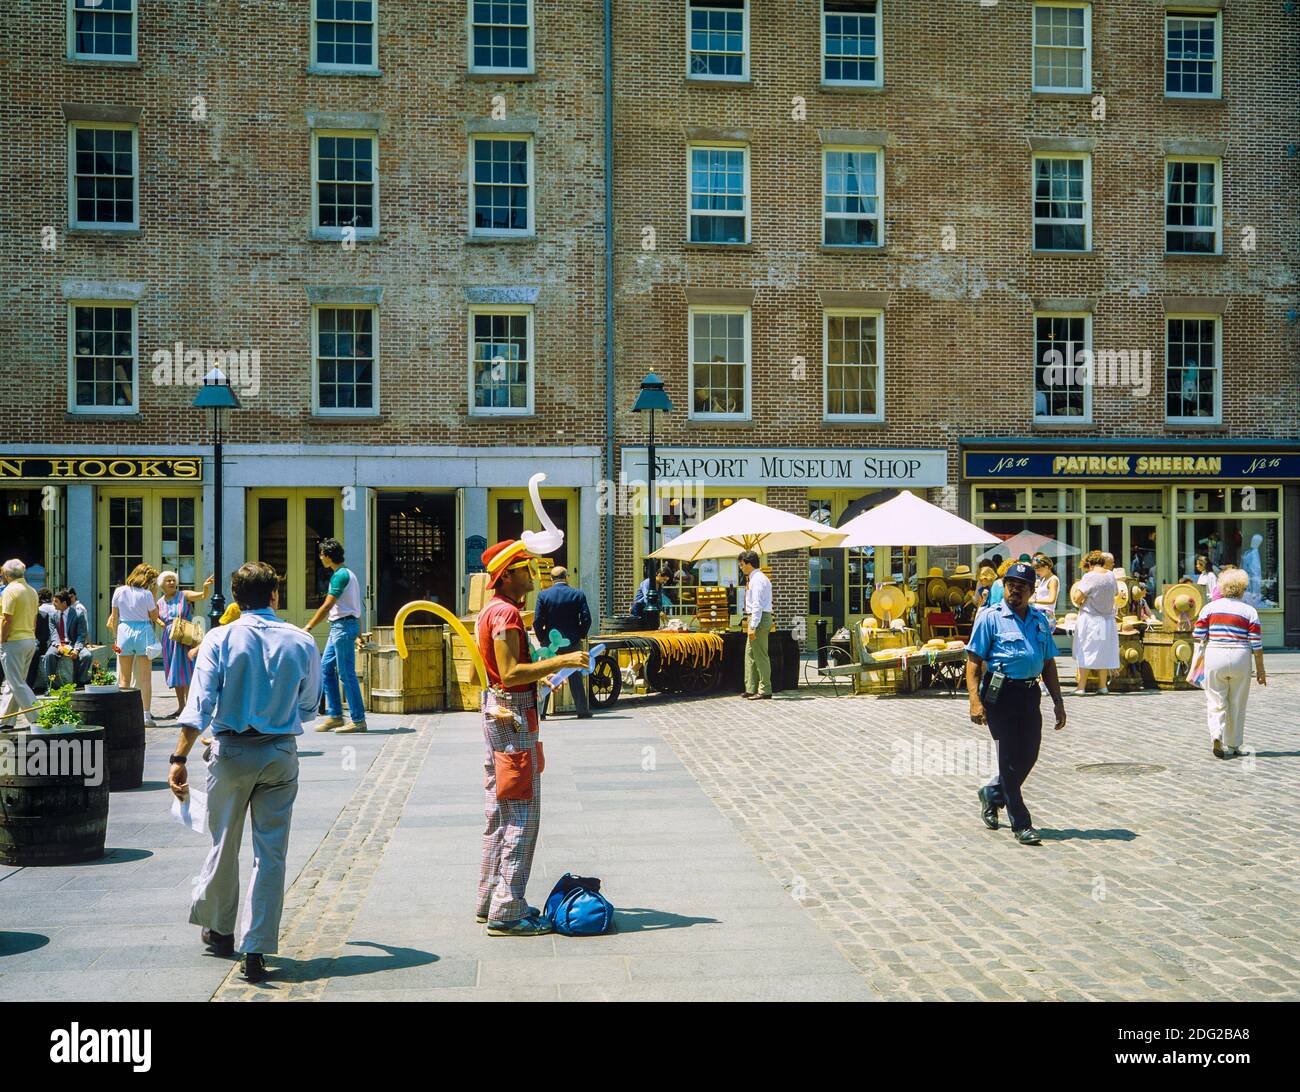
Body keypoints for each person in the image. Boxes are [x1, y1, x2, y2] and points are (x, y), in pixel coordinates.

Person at [168, 562, 320, 983]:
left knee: (223, 843)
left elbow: (198, 705)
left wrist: (178, 758)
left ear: (236, 600)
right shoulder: (302, 640)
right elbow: (310, 705)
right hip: (278, 753)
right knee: (270, 853)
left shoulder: (220, 637)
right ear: (274, 596)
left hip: (232, 751)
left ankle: (219, 929)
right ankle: (257, 946)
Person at [475, 539, 587, 937]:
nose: (533, 575)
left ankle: (489, 898)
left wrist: (541, 675)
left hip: (500, 715)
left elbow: (495, 675)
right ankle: (507, 910)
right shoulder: (505, 612)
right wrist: (563, 660)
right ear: (507, 574)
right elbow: (508, 672)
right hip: (513, 722)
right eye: (525, 568)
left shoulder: (491, 610)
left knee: (499, 813)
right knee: (522, 816)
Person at [966, 561, 1067, 846]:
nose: (1015, 591)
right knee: (1009, 759)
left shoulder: (1039, 621)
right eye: (1011, 585)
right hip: (1000, 694)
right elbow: (973, 663)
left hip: (1029, 693)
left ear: (1032, 590)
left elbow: (1048, 663)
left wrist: (1058, 701)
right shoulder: (989, 617)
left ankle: (993, 794)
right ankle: (1021, 823)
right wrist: (975, 701)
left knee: (1029, 754)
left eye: (1021, 587)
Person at [1193, 567, 1266, 760]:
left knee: (1216, 699)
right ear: (1242, 588)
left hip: (1215, 654)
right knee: (1237, 701)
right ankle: (1234, 743)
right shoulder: (1249, 611)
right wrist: (1261, 670)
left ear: (1222, 587)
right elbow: (1256, 645)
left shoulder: (1209, 608)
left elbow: (1198, 636)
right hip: (1241, 655)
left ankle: (1216, 734)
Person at [303, 538, 366, 733]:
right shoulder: (348, 574)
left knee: (346, 673)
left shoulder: (339, 576)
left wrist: (309, 626)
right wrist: (359, 632)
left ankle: (358, 720)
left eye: (321, 554)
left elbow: (328, 605)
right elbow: (357, 606)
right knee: (326, 668)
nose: (320, 557)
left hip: (342, 627)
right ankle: (336, 716)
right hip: (341, 626)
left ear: (328, 556)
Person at [534, 566, 592, 720]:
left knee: (547, 673)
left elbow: (537, 621)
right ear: (566, 577)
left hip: (551, 642)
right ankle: (582, 710)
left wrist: (543, 639)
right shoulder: (577, 594)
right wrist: (579, 634)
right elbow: (586, 618)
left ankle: (541, 711)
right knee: (575, 676)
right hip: (571, 641)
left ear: (552, 579)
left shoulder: (543, 595)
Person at [106, 563, 161, 726]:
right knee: (145, 678)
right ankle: (146, 715)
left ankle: (124, 714)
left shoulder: (119, 591)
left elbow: (114, 617)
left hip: (124, 630)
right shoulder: (147, 594)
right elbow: (154, 616)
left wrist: (116, 637)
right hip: (143, 630)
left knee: (124, 677)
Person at [158, 571, 214, 717]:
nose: (171, 583)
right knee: (175, 672)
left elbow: (203, 596)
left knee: (187, 671)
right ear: (161, 585)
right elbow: (154, 617)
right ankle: (181, 707)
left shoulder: (184, 595)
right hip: (169, 639)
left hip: (185, 637)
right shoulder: (159, 602)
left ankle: (190, 705)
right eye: (168, 580)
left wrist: (205, 587)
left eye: (173, 580)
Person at [1070, 550, 1119, 695]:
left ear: (1090, 564)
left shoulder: (1089, 576)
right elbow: (1116, 593)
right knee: (1102, 651)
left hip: (1090, 618)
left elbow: (1077, 598)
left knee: (1085, 649)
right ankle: (1103, 686)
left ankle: (1081, 687)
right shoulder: (1111, 575)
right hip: (1107, 619)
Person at [0, 560, 41, 727]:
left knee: (16, 682)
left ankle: (39, 717)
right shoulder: (32, 591)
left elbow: (6, 619)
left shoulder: (10, 591)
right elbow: (35, 619)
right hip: (29, 639)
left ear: (8, 575)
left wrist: (2, 639)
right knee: (15, 681)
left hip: (14, 641)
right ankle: (6, 720)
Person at [43, 589, 94, 689]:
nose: (53, 604)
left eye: (56, 601)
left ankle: (80, 682)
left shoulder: (78, 614)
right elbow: (53, 633)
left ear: (64, 603)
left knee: (87, 656)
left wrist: (76, 649)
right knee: (49, 656)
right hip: (58, 643)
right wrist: (58, 645)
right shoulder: (53, 615)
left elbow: (81, 634)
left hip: (73, 643)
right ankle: (50, 686)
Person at [739, 550, 773, 699]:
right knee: (750, 655)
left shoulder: (758, 579)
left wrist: (752, 626)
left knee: (760, 656)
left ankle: (765, 690)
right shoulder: (754, 578)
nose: (741, 568)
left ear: (749, 564)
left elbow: (757, 605)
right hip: (756, 618)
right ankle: (751, 687)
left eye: (742, 565)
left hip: (758, 619)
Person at [27, 588, 54, 694]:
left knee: (34, 652)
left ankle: (29, 684)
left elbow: (44, 636)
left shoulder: (43, 615)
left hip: (38, 644)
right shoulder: (24, 615)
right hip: (24, 641)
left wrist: (34, 642)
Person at [1030, 554, 1059, 627]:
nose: (1037, 572)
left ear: (1047, 567)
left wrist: (1033, 600)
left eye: (1039, 570)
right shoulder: (1043, 580)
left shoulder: (1053, 580)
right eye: (1035, 570)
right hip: (1039, 613)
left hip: (1046, 614)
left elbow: (1051, 600)